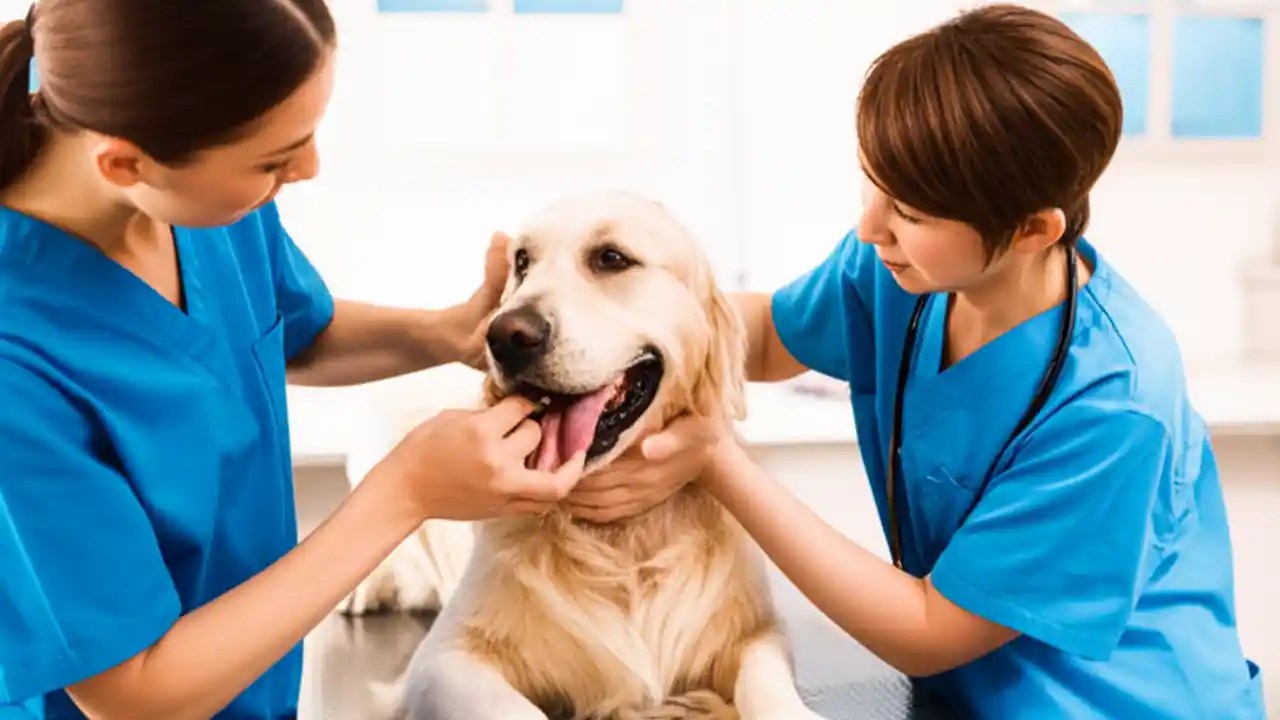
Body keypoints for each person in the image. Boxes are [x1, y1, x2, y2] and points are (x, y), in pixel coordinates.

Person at [567, 4, 1265, 718]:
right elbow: (769, 338)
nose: (872, 226)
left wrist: (718, 464)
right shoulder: (900, 272)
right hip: (961, 699)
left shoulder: (1115, 404)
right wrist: (584, 325)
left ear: (1032, 229)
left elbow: (930, 632)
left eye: (913, 212)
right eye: (874, 182)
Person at [0, 2, 585, 719]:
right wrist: (404, 492)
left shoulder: (209, 209)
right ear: (126, 161)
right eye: (274, 160)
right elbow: (135, 695)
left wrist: (447, 334)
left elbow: (289, 331)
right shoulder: (16, 365)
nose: (308, 169)